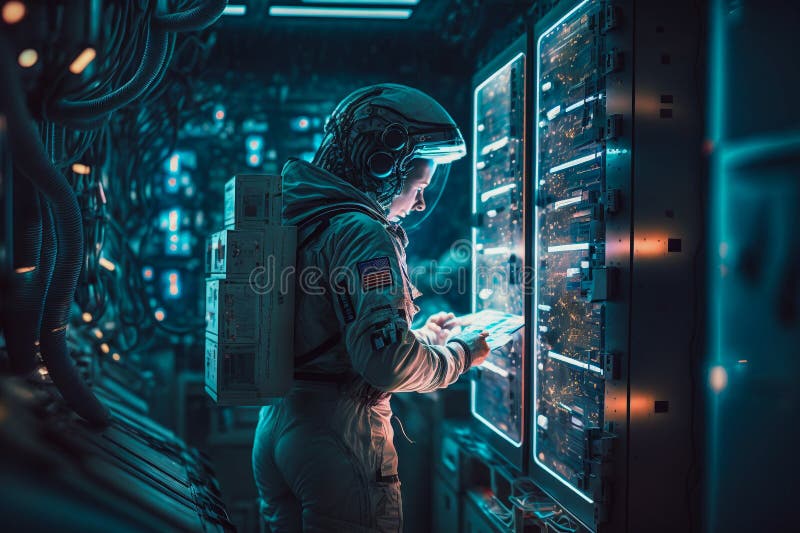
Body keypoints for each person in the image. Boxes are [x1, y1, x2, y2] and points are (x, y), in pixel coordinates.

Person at [252, 83, 490, 532]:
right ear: (383, 170)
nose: (420, 202)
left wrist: (427, 339)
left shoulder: (299, 214)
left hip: (277, 427)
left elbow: (330, 336)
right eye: (418, 185)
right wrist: (459, 356)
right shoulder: (363, 232)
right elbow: (386, 363)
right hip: (336, 440)